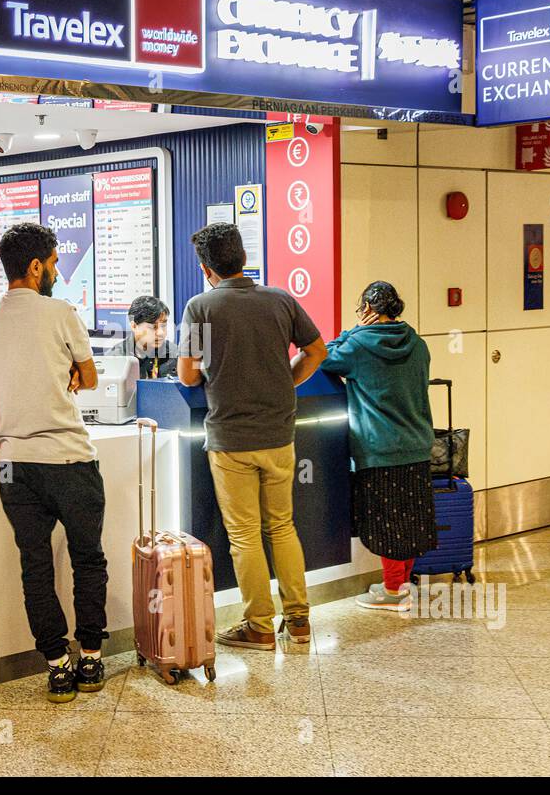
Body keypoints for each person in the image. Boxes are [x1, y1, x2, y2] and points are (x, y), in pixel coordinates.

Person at [177, 223, 328, 650]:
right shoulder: (280, 300)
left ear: (207, 268)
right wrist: (287, 382)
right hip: (279, 434)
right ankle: (299, 622)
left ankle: (259, 626)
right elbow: (317, 350)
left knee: (244, 535)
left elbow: (187, 374)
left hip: (230, 438)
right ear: (243, 258)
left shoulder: (200, 307)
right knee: (282, 526)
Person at [0, 222, 108, 703]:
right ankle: (90, 659)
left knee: (36, 565)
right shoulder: (60, 311)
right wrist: (69, 373)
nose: (55, 271)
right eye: (53, 263)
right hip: (67, 457)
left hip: (12, 462)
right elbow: (89, 378)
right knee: (87, 560)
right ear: (35, 267)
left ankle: (56, 667)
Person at [321, 281, 436, 612]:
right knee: (411, 517)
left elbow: (324, 358)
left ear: (369, 309)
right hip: (416, 444)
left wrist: (351, 331)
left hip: (379, 446)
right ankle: (403, 584)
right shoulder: (418, 343)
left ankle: (393, 588)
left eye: (361, 309)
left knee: (385, 519)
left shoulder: (358, 344)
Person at [106, 295, 177, 378]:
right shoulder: (115, 359)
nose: (161, 333)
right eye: (153, 327)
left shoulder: (174, 353)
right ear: (134, 326)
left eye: (163, 325)